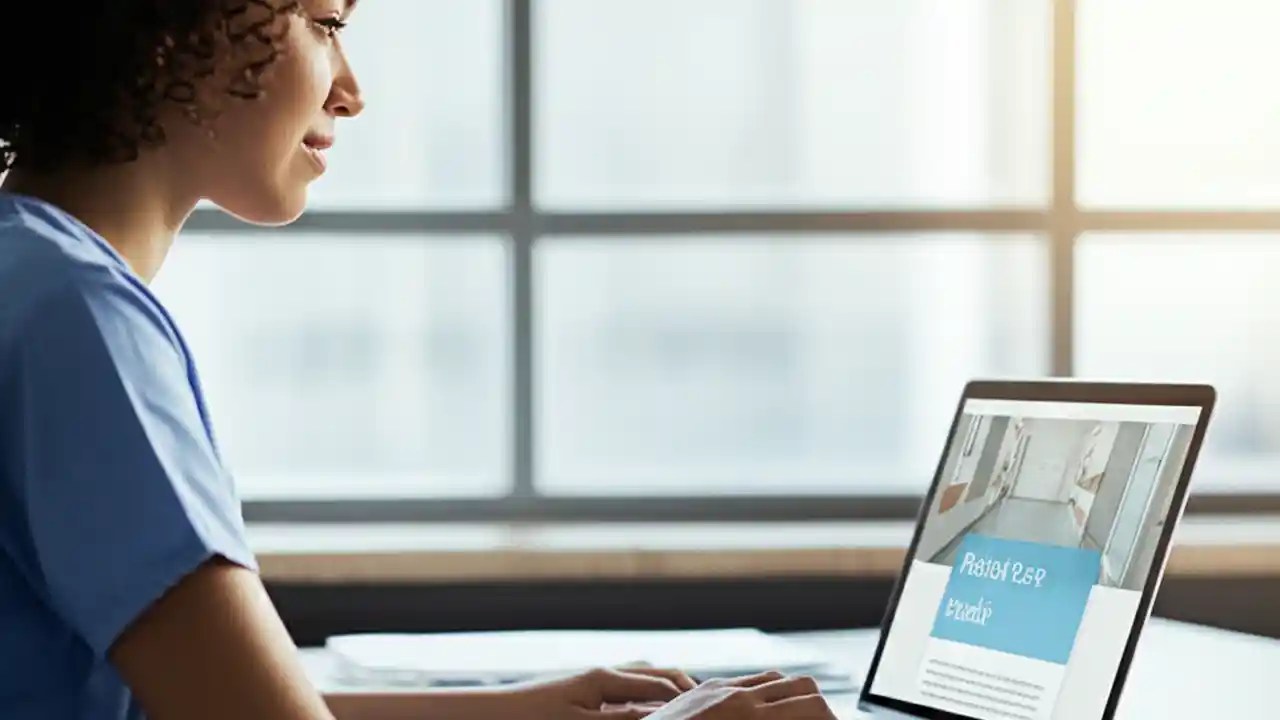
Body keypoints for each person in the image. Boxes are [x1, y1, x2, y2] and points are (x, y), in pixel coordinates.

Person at [0, 2, 839, 719]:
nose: (351, 91)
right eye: (325, 24)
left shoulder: (26, 268)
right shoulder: (81, 317)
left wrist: (522, 709)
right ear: (175, 33)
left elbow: (179, 697)